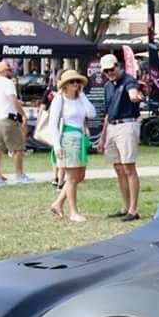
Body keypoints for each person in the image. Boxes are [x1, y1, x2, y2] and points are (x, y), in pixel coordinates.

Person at [96, 53, 144, 220]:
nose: (109, 73)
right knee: (118, 169)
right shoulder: (107, 86)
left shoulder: (129, 80)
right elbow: (107, 114)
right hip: (112, 126)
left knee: (129, 167)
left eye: (111, 69)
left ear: (118, 66)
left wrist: (137, 97)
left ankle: (133, 209)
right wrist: (102, 137)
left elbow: (133, 94)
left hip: (127, 124)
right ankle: (125, 207)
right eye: (106, 71)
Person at [47, 69, 98, 222]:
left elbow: (92, 113)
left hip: (80, 138)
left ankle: (58, 203)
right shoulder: (59, 99)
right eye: (71, 82)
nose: (75, 84)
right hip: (68, 139)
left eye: (77, 81)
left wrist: (82, 95)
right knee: (72, 177)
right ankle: (73, 212)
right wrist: (57, 146)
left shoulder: (80, 98)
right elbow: (52, 124)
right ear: (65, 85)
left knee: (79, 176)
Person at [0, 60, 31, 186]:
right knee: (18, 148)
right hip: (8, 119)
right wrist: (23, 114)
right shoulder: (8, 83)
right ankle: (19, 175)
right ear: (5, 71)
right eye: (9, 70)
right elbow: (13, 100)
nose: (11, 72)